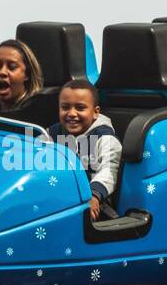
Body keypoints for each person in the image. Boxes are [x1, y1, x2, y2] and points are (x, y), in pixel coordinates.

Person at [46, 80, 121, 221]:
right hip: (60, 199)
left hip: (94, 204)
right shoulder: (52, 133)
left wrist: (93, 196)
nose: (71, 113)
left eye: (80, 108)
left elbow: (108, 171)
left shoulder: (105, 138)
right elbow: (33, 154)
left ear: (95, 113)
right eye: (65, 107)